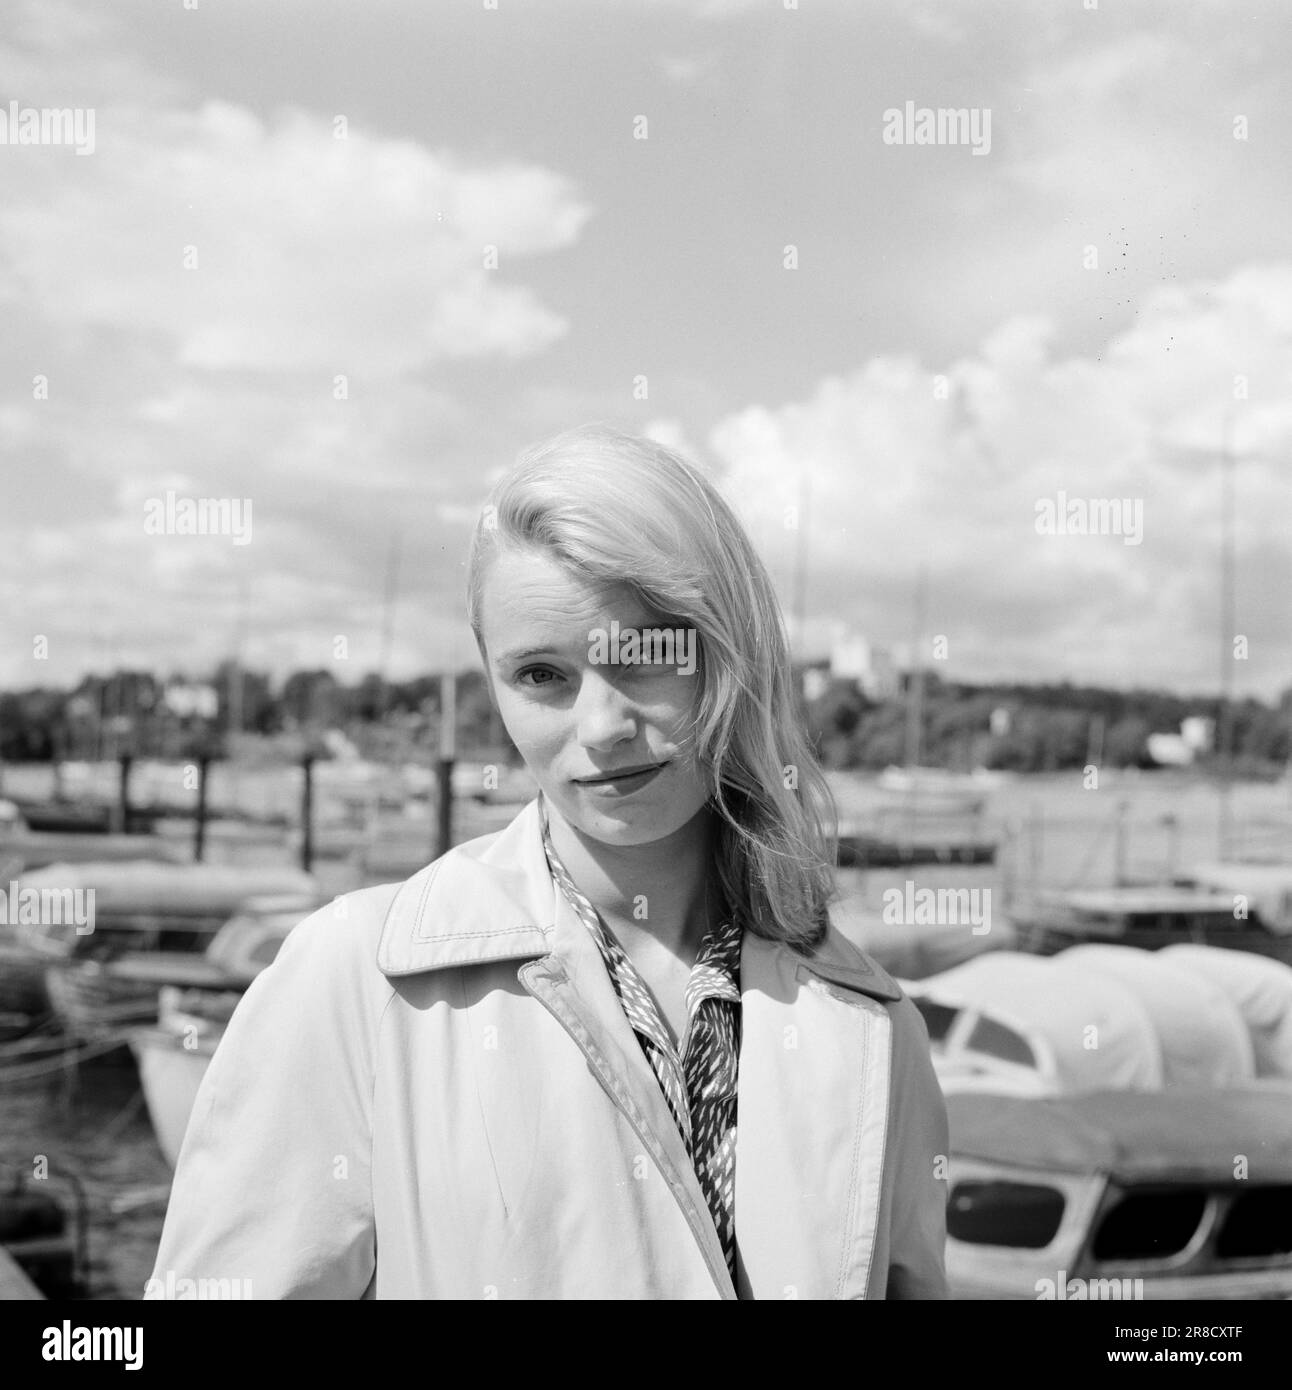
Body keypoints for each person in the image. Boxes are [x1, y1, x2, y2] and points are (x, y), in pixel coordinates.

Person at [148, 424, 949, 1300]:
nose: (601, 726)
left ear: (733, 655)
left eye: (646, 656)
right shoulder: (358, 984)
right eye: (540, 675)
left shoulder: (872, 1026)